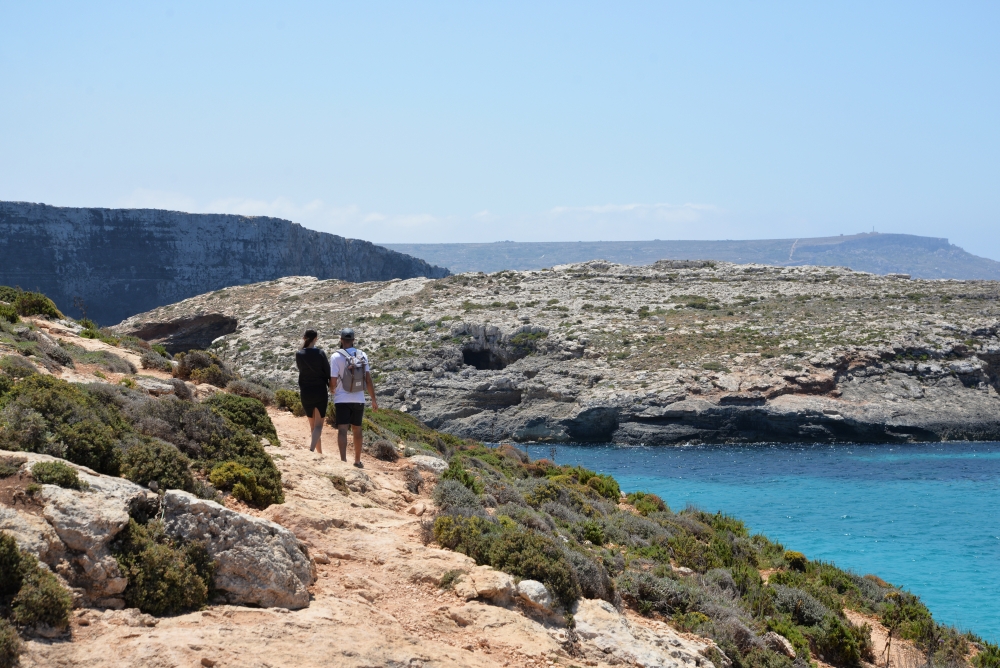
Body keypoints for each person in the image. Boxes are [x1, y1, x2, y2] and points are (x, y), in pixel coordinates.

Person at [329, 327, 378, 467]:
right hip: (359, 398)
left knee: (343, 429)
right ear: (353, 340)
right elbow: (368, 380)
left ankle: (343, 461)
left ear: (341, 340)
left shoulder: (336, 356)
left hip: (342, 398)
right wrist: (373, 400)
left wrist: (332, 390)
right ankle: (357, 460)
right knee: (357, 429)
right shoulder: (362, 354)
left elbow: (333, 380)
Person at [295, 329, 330, 453]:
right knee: (319, 425)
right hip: (320, 391)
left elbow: (301, 370)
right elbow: (328, 372)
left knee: (312, 426)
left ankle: (319, 453)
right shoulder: (320, 353)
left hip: (306, 391)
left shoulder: (299, 354)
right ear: (316, 338)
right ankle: (311, 449)